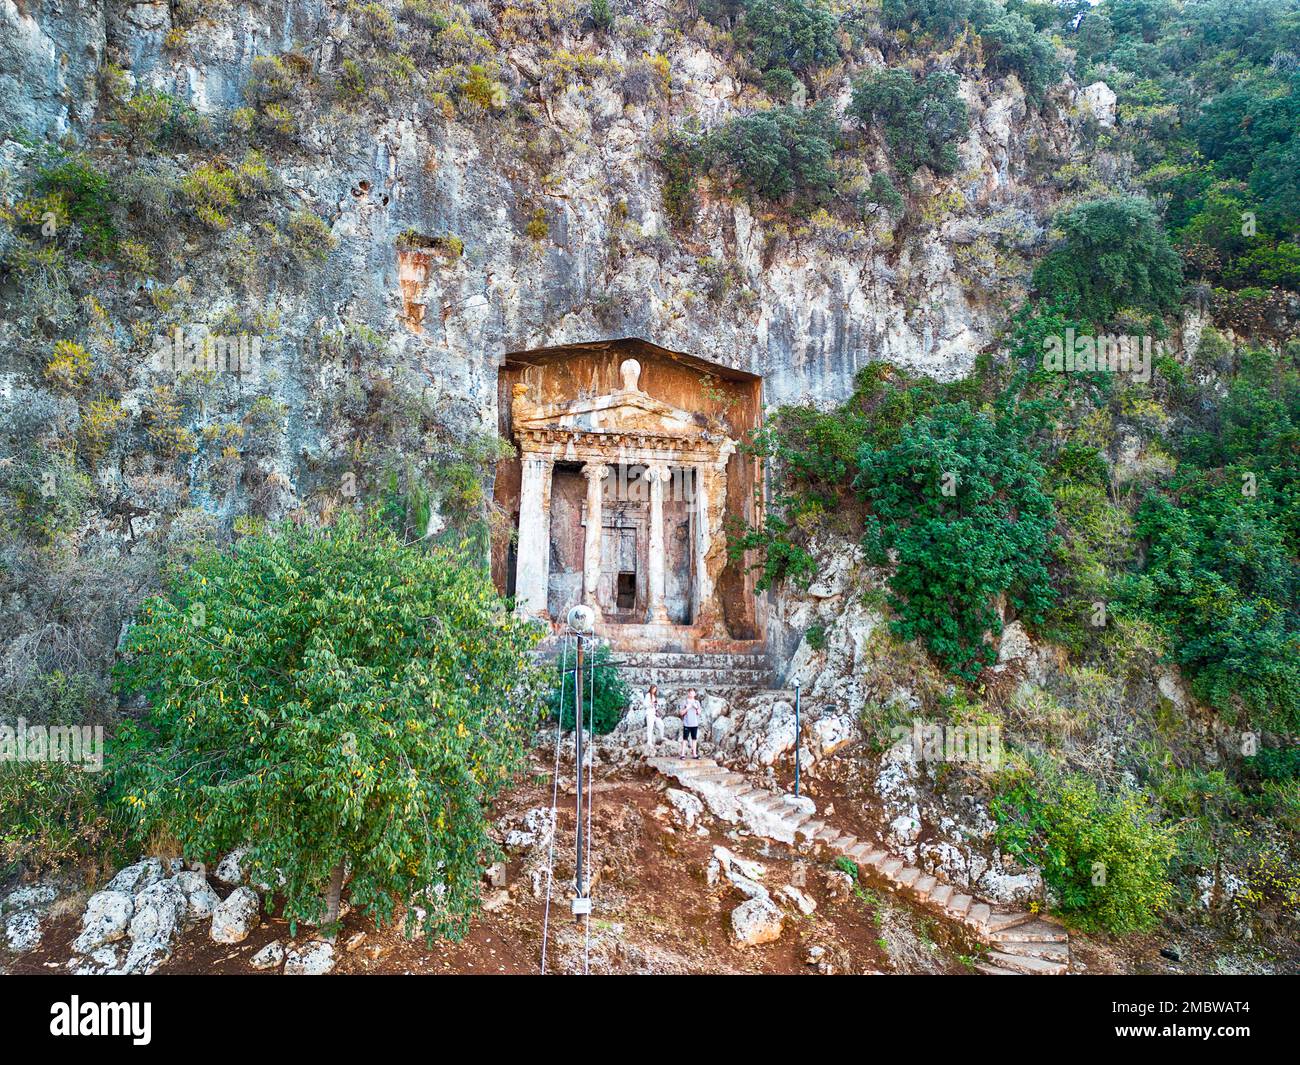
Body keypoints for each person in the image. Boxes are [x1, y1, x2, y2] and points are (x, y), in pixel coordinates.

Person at [679, 687, 702, 759]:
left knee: (694, 739)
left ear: (695, 694)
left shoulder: (697, 702)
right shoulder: (684, 702)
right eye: (690, 693)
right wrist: (687, 708)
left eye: (693, 693)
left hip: (694, 723)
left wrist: (696, 708)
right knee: (685, 739)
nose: (691, 694)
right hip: (687, 723)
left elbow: (699, 712)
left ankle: (694, 754)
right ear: (688, 693)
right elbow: (681, 713)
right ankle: (682, 754)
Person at [643, 684, 659, 753]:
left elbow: (655, 706)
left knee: (656, 726)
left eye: (655, 689)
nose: (654, 690)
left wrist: (655, 705)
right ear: (651, 689)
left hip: (653, 713)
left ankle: (651, 740)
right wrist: (651, 704)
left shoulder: (654, 696)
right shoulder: (647, 695)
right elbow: (645, 704)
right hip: (649, 713)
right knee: (650, 727)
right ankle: (649, 741)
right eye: (653, 689)